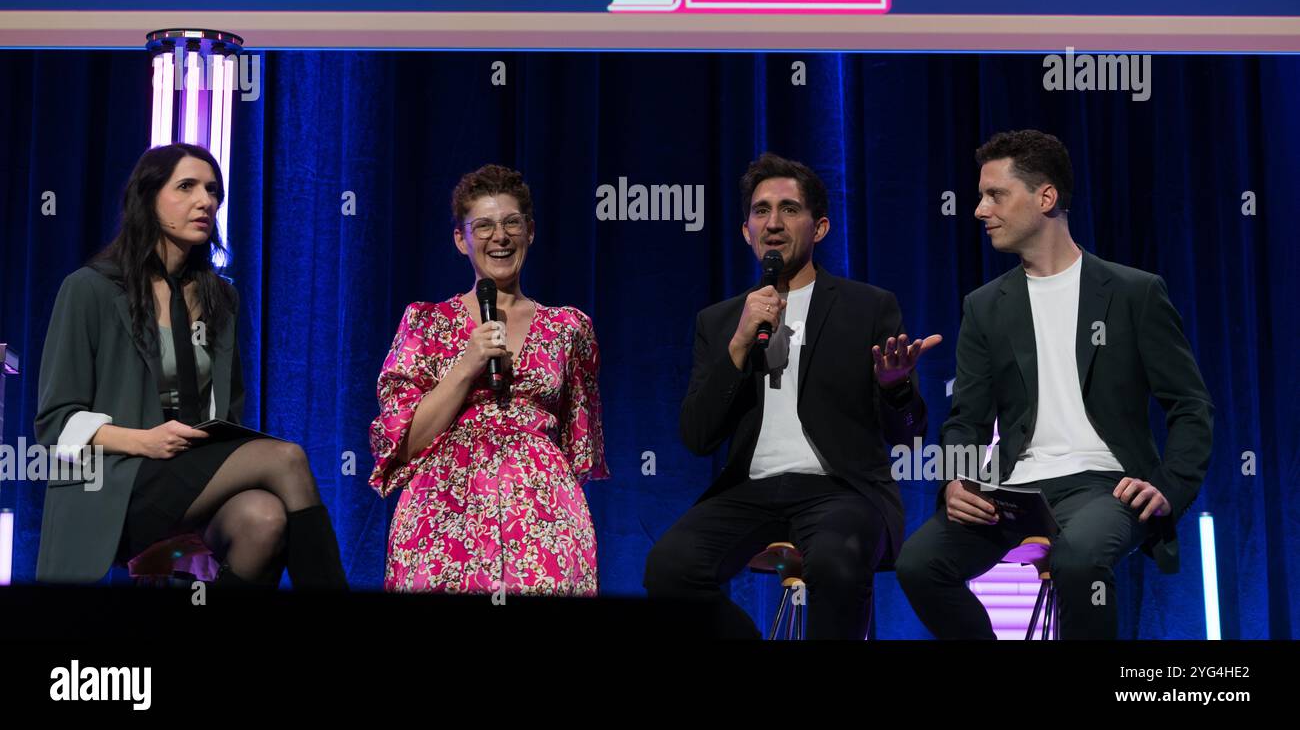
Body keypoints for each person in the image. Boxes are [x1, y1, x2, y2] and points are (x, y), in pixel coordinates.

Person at [896, 129, 1214, 639]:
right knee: (918, 565)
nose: (979, 209)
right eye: (980, 196)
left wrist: (1168, 487)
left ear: (1046, 197)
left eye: (995, 195)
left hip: (1107, 484)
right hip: (1014, 488)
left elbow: (1192, 406)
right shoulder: (985, 306)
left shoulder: (1134, 293)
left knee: (1078, 560)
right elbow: (967, 420)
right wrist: (954, 480)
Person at [644, 153, 938, 638]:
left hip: (841, 489)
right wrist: (739, 344)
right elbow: (697, 436)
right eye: (761, 211)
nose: (773, 223)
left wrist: (896, 388)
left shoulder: (868, 306)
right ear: (746, 231)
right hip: (750, 490)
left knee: (837, 564)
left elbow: (908, 433)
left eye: (789, 209)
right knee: (668, 570)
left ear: (819, 227)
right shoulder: (720, 321)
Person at [34, 143, 348, 588]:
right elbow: (55, 424)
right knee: (287, 458)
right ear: (147, 197)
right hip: (114, 483)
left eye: (213, 190)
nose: (206, 201)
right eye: (187, 187)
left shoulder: (221, 297)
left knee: (264, 518)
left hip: (190, 480)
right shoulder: (90, 290)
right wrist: (144, 441)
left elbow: (228, 413)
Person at [370, 164, 608, 593]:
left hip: (544, 515)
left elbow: (579, 448)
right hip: (443, 512)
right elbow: (401, 444)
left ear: (530, 231)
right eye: (483, 226)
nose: (499, 237)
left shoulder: (568, 328)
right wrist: (467, 365)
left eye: (511, 223)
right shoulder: (426, 323)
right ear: (461, 239)